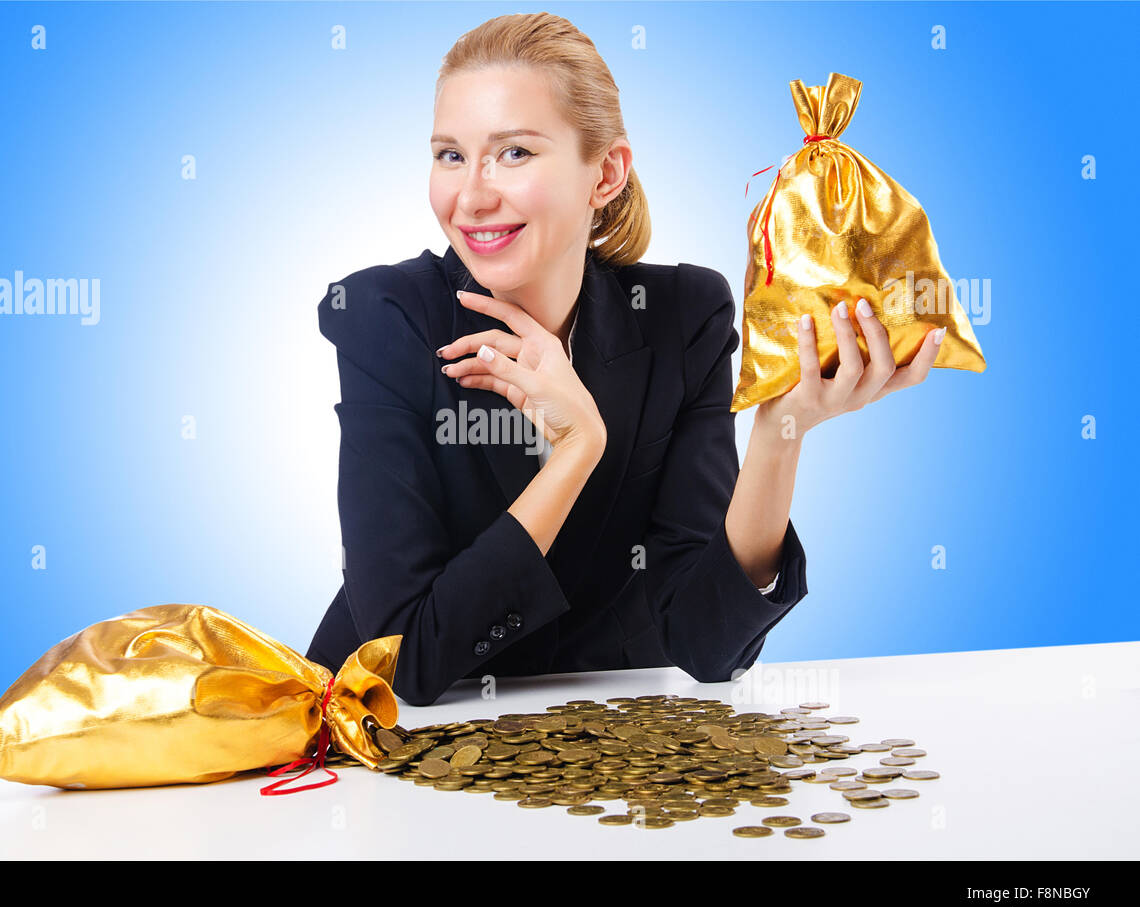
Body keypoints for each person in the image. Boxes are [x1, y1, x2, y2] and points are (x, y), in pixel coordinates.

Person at [305, 13, 946, 706]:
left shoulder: (681, 320)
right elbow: (405, 664)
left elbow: (706, 646)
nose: (472, 195)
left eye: (514, 153)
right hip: (383, 756)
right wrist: (579, 450)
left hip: (605, 759)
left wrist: (777, 433)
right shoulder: (386, 318)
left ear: (606, 173)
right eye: (450, 155)